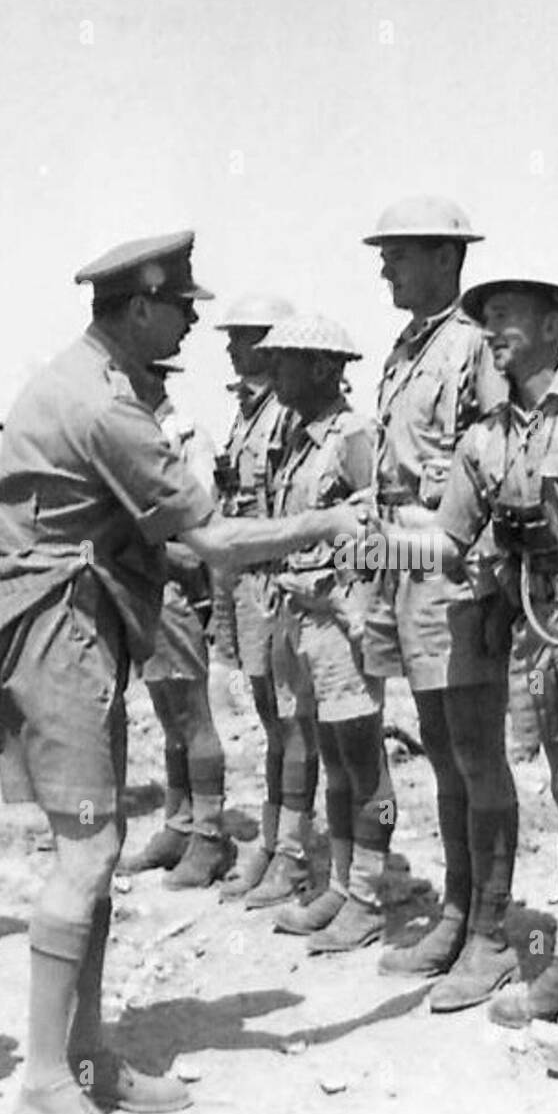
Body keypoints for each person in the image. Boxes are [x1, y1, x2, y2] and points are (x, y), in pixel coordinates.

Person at [0, 233, 368, 1114]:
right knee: (88, 848)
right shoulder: (106, 406)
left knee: (91, 846)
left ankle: (85, 1059)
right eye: (181, 305)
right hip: (54, 626)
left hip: (77, 620)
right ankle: (47, 1092)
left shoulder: (95, 382)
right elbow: (212, 541)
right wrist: (331, 521)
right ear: (138, 307)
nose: (192, 319)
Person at [368, 275, 558, 1071]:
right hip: (540, 637)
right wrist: (358, 539)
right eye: (486, 318)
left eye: (504, 318)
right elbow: (451, 542)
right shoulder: (483, 440)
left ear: (554, 323)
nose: (491, 331)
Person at [361, 196, 521, 1012]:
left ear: (443, 258)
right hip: (407, 561)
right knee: (440, 746)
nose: (384, 266)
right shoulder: (406, 348)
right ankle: (459, 913)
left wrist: (491, 580)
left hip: (457, 567)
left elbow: (495, 456)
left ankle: (491, 933)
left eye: (398, 253)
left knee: (476, 751)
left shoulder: (469, 346)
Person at [253, 313, 397, 950]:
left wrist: (355, 607)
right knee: (332, 760)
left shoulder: (353, 435)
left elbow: (381, 528)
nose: (273, 373)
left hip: (340, 617)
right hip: (299, 616)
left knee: (362, 759)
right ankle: (341, 884)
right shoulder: (297, 438)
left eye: (285, 361)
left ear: (320, 367)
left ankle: (369, 894)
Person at [204, 294, 319, 906]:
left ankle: (293, 850)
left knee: (294, 724)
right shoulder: (247, 411)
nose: (231, 346)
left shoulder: (285, 413)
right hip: (247, 579)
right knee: (272, 724)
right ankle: (272, 842)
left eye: (243, 336)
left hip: (279, 578)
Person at [118, 364, 231, 886]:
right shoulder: (128, 435)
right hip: (141, 585)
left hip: (174, 585)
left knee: (192, 713)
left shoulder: (186, 437)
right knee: (167, 712)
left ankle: (210, 837)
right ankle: (179, 824)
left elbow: (197, 523)